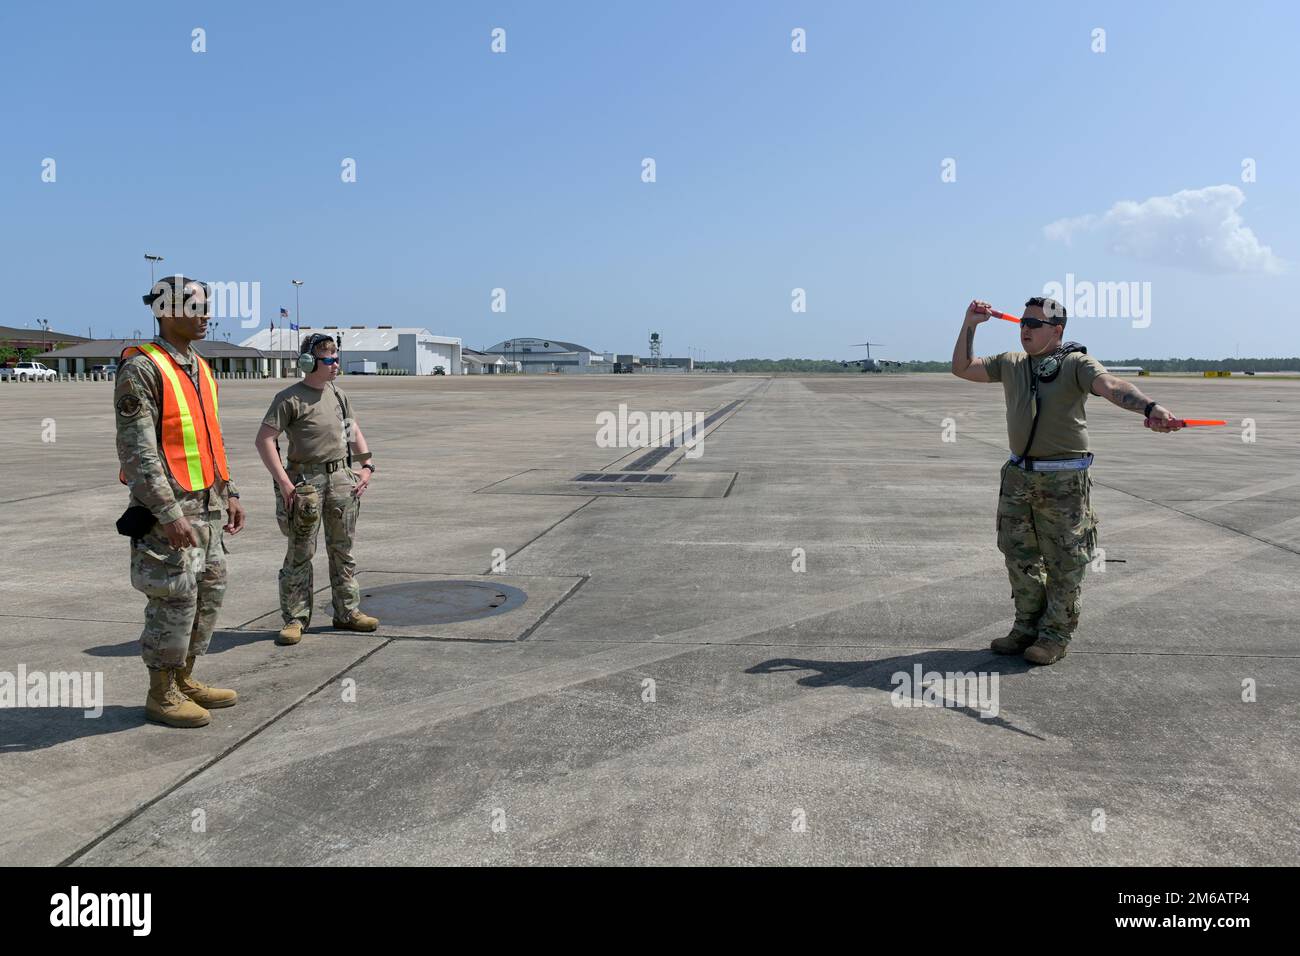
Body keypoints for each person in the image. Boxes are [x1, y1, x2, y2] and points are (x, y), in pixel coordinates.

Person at [951, 296, 1183, 665]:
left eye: (1034, 324)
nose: (1025, 329)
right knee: (1018, 555)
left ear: (1057, 330)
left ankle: (1056, 634)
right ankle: (1026, 626)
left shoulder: (1076, 363)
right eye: (1022, 323)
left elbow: (1111, 386)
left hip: (1062, 480)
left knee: (1064, 560)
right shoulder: (1011, 364)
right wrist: (970, 324)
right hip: (1018, 476)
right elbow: (962, 368)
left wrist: (1151, 408)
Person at [115, 275, 244, 727]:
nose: (206, 314)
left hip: (207, 503)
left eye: (207, 305)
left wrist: (228, 491)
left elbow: (210, 437)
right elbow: (138, 450)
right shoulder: (143, 367)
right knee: (174, 599)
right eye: (195, 306)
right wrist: (167, 512)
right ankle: (161, 692)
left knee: (209, 594)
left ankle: (185, 677)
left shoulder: (198, 366)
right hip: (169, 510)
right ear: (165, 312)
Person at [254, 333, 378, 645]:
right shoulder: (289, 399)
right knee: (300, 552)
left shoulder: (337, 395)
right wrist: (284, 482)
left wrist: (366, 465)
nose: (336, 364)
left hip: (340, 479)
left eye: (337, 358)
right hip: (305, 485)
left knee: (343, 549)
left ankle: (347, 611)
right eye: (329, 359)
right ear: (309, 362)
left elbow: (352, 430)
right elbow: (264, 440)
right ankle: (296, 618)